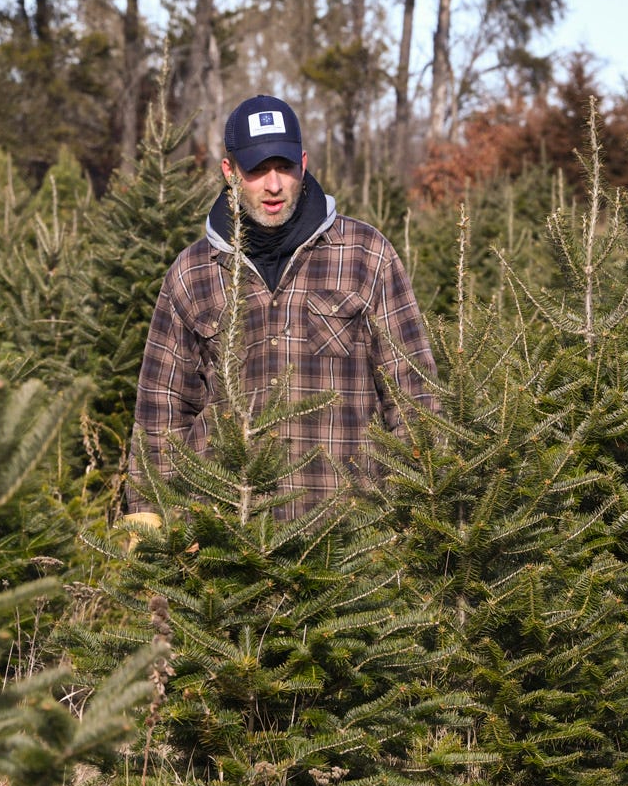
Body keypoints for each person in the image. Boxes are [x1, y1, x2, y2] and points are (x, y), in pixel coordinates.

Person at [120, 94, 441, 535]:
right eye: (257, 170)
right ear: (230, 171)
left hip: (346, 538)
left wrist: (421, 513)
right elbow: (161, 410)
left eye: (284, 167)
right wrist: (146, 519)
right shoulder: (193, 273)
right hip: (226, 539)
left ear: (303, 164)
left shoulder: (366, 255)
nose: (273, 185)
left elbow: (414, 396)